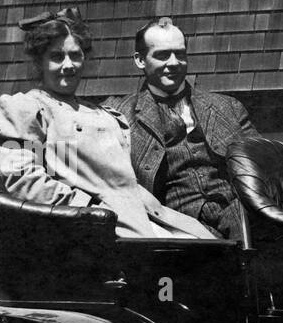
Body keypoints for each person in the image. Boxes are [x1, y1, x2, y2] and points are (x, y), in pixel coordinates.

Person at [0, 8, 216, 240]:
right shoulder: (25, 108)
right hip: (94, 229)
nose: (69, 65)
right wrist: (91, 208)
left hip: (148, 218)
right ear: (38, 62)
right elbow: (23, 180)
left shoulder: (105, 114)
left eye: (75, 55)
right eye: (56, 57)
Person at [106, 16, 258, 240]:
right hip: (174, 224)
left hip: (239, 214)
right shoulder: (117, 114)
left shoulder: (228, 107)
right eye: (162, 55)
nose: (174, 63)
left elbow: (263, 165)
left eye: (180, 54)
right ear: (140, 60)